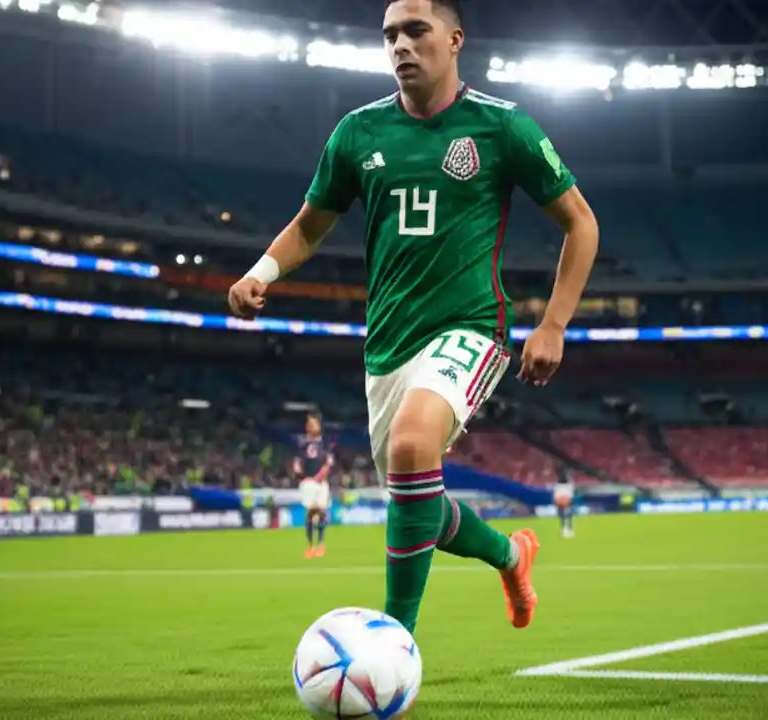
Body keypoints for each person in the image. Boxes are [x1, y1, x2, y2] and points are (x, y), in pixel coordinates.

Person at [227, 0, 598, 634]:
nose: (400, 44)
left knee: (411, 446)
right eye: (390, 34)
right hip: (387, 345)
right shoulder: (357, 133)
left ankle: (393, 643)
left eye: (415, 31)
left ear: (454, 40)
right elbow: (310, 227)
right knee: (417, 498)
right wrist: (260, 272)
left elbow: (580, 222)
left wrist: (554, 323)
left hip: (471, 328)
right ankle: (512, 554)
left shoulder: (503, 127)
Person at [295, 412, 334, 558]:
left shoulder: (325, 443)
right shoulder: (302, 443)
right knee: (310, 513)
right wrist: (300, 474)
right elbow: (298, 462)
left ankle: (322, 544)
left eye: (314, 424)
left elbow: (328, 462)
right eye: (309, 424)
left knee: (322, 512)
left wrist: (321, 474)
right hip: (308, 483)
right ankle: (311, 546)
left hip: (320, 483)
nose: (312, 426)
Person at [553, 470, 575, 539]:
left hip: (560, 500)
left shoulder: (557, 485)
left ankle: (563, 529)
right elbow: (571, 493)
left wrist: (556, 501)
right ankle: (569, 529)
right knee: (569, 515)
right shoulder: (569, 484)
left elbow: (556, 494)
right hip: (566, 500)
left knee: (562, 516)